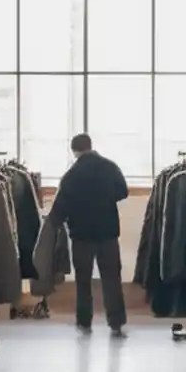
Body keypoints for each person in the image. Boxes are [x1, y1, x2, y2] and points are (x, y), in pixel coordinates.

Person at [49, 133, 129, 336]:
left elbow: (61, 207)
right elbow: (123, 191)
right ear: (91, 146)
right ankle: (116, 321)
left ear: (74, 151)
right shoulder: (110, 167)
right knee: (112, 278)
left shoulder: (72, 174)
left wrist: (52, 225)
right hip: (108, 232)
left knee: (83, 281)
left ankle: (84, 321)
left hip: (81, 235)